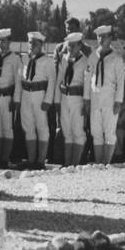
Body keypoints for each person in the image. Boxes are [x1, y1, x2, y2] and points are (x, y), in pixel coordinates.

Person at [88, 24, 125, 165]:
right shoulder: (93, 56)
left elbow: (120, 82)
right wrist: (86, 99)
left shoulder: (116, 58)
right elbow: (87, 78)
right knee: (96, 131)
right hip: (95, 97)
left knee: (109, 131)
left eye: (104, 36)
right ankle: (99, 162)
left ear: (110, 38)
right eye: (99, 36)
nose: (101, 39)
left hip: (110, 97)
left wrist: (118, 101)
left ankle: (107, 161)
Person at [18, 31, 53, 168]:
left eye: (35, 43)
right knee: (28, 126)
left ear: (42, 45)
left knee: (42, 127)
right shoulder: (24, 59)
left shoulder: (47, 60)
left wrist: (48, 100)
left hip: (40, 95)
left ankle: (41, 160)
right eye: (30, 42)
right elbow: (20, 79)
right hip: (26, 94)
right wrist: (18, 98)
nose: (32, 45)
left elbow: (52, 81)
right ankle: (31, 160)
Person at [0, 28, 22, 169]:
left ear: (9, 42)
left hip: (7, 97)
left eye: (4, 41)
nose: (1, 44)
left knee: (7, 128)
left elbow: (18, 80)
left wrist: (16, 99)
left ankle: (5, 158)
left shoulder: (15, 58)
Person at [56, 32, 89, 166]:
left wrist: (86, 103)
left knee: (78, 131)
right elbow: (59, 80)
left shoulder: (85, 61)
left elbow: (87, 84)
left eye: (73, 45)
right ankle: (67, 163)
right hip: (65, 97)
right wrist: (57, 100)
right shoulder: (64, 59)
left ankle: (75, 163)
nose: (70, 48)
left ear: (80, 46)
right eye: (68, 45)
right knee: (67, 131)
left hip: (77, 98)